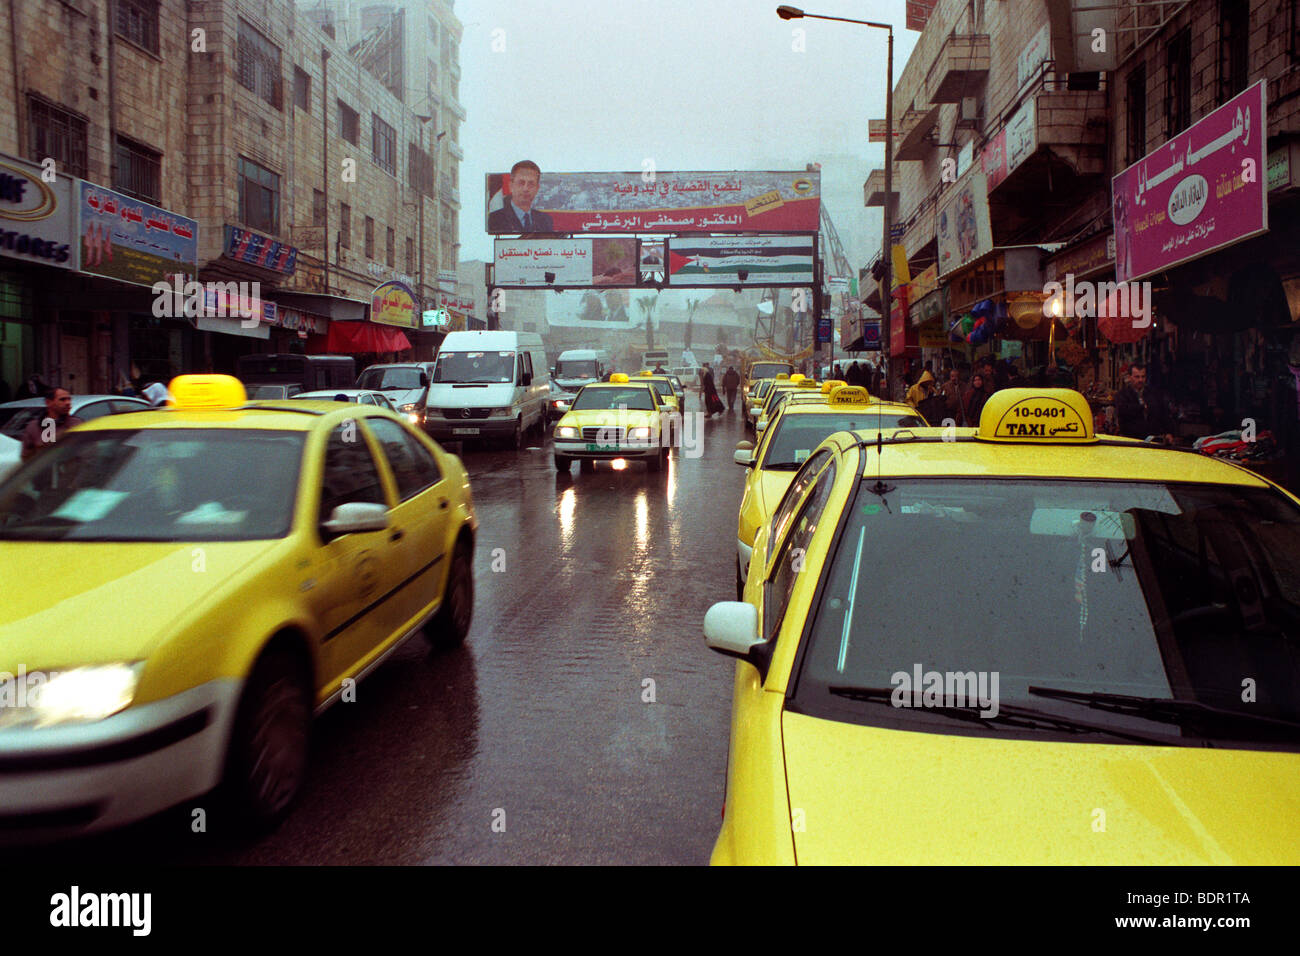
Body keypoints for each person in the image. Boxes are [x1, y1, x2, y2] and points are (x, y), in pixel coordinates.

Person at [487, 160, 555, 233]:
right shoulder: (495, 219)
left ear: (537, 188)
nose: (526, 189)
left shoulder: (545, 220)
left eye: (531, 184)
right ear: (511, 186)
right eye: (521, 183)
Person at [1115, 363, 1175, 442]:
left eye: (1143, 377)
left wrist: (1168, 432)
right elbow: (1123, 411)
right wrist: (1142, 407)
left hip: (1153, 439)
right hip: (1131, 440)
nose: (1140, 380)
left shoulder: (1154, 394)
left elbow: (1164, 413)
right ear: (1130, 377)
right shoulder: (1122, 394)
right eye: (1137, 377)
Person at [20, 386, 83, 462]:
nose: (67, 403)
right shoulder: (33, 427)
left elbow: (85, 451)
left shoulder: (76, 424)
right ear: (48, 402)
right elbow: (26, 457)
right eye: (62, 399)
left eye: (69, 399)